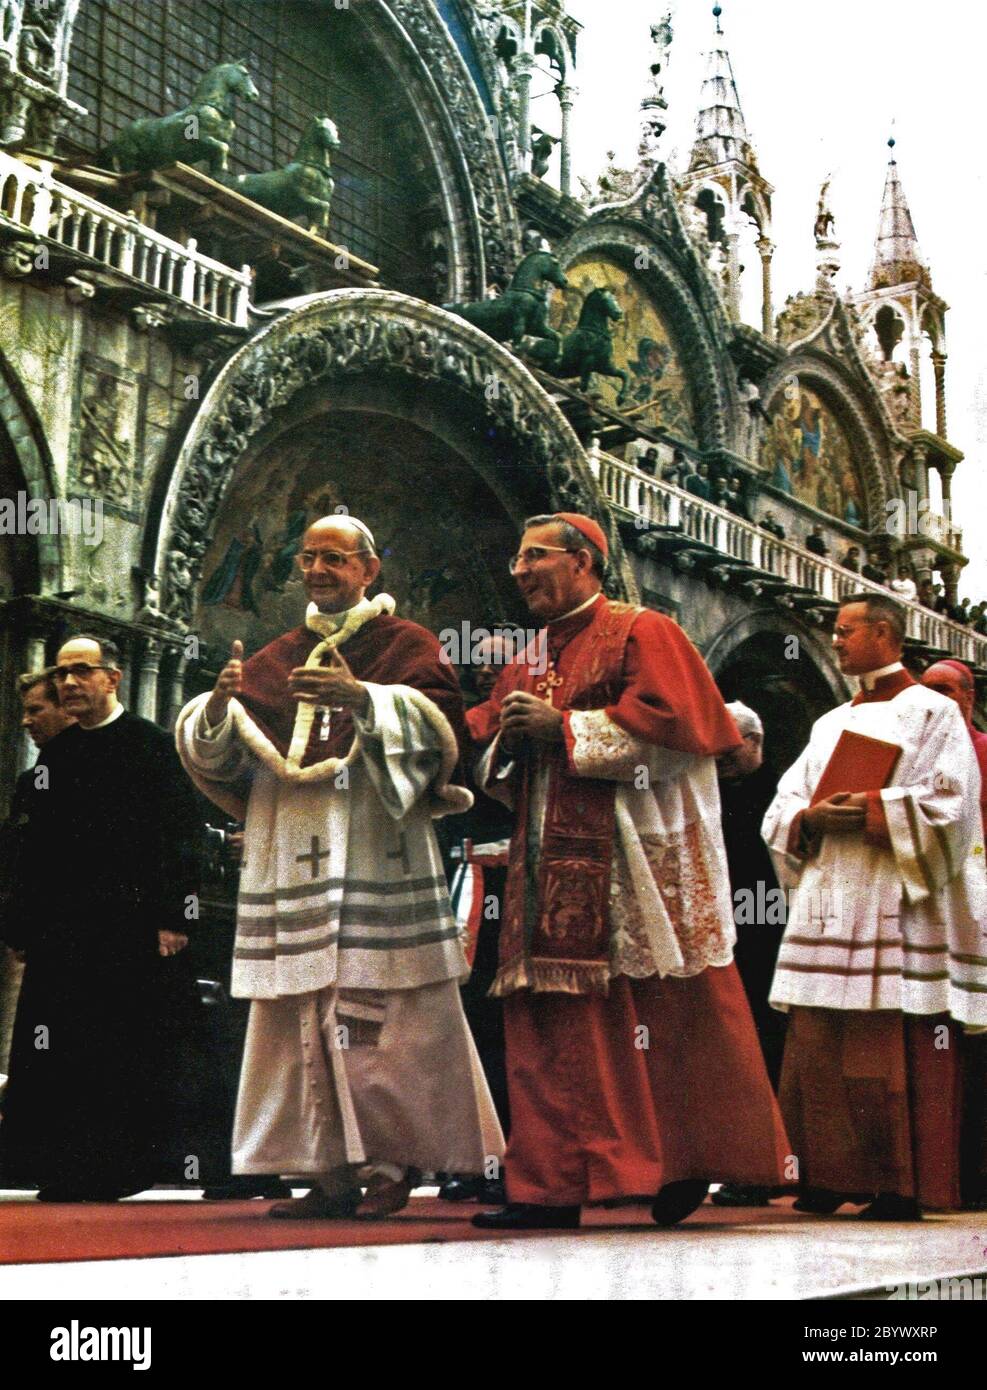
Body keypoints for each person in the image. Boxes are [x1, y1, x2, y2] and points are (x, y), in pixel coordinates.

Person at [467, 512, 790, 1231]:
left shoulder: (643, 630)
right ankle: (548, 1185)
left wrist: (568, 729)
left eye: (534, 555)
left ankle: (680, 1161)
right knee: (548, 1019)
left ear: (584, 561)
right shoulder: (529, 654)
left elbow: (684, 731)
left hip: (635, 851)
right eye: (516, 558)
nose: (518, 570)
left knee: (661, 1011)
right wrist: (510, 745)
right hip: (545, 857)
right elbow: (492, 749)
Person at [176, 515, 503, 1220]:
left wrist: (367, 700)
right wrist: (220, 707)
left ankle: (392, 1160)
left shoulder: (405, 646)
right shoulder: (277, 654)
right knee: (297, 1013)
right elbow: (217, 758)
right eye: (307, 558)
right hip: (291, 851)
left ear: (368, 570)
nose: (317, 571)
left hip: (374, 847)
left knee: (387, 1011)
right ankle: (323, 1172)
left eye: (333, 559)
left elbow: (444, 735)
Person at [763, 593, 987, 1220]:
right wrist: (811, 816)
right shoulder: (829, 722)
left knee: (886, 1044)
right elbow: (782, 805)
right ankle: (827, 1176)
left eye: (845, 631)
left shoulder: (934, 714)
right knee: (818, 1044)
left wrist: (866, 810)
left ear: (885, 635)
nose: (835, 641)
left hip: (895, 900)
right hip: (830, 897)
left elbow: (952, 808)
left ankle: (899, 1184)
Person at [0, 636, 202, 1202]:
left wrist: (173, 916)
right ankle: (60, 1164)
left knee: (115, 1046)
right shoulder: (58, 755)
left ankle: (115, 1165)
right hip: (63, 929)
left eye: (81, 672)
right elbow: (33, 846)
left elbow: (179, 835)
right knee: (58, 1046)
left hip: (127, 925)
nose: (68, 683)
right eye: (62, 673)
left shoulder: (151, 746)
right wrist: (22, 924)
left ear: (112, 679)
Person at [439, 630, 518, 1204]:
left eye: (499, 664)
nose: (487, 674)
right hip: (460, 885)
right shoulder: (459, 728)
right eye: (479, 666)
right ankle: (472, 1157)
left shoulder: (527, 724)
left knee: (511, 1022)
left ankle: (520, 1156)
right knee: (465, 1021)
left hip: (520, 886)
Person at [712, 701, 789, 1208]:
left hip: (771, 932)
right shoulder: (711, 788)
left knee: (767, 1039)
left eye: (729, 745)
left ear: (754, 741)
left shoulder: (782, 791)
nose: (719, 755)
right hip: (726, 932)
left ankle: (768, 1166)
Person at [0, 673, 75, 1076]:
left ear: (66, 709)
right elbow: (21, 855)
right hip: (41, 935)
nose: (26, 721)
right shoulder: (33, 781)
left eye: (36, 710)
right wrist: (17, 924)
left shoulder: (95, 772)